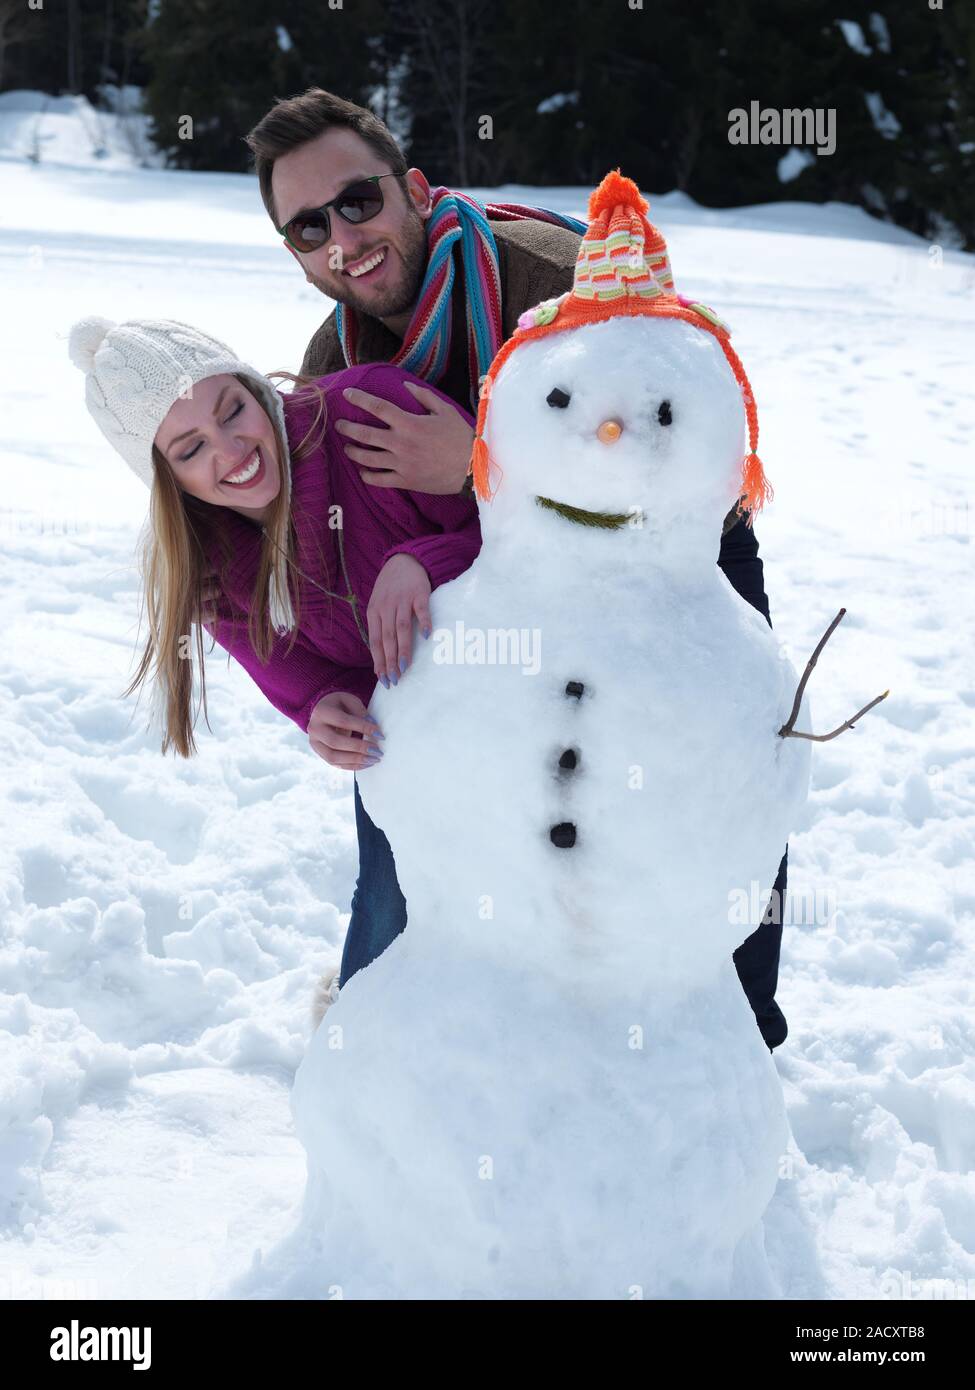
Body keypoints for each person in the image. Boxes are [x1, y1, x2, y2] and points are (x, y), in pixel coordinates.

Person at [243, 87, 792, 1049]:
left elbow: (679, 454)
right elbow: (320, 559)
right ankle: (395, 1021)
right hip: (484, 585)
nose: (343, 237)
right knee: (416, 754)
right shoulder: (331, 359)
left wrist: (478, 466)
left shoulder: (558, 286)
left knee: (715, 758)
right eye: (307, 227)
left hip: (670, 553)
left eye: (359, 200)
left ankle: (733, 1031)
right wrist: (320, 695)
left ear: (413, 189)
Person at [66, 315, 482, 1016]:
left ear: (256, 388)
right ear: (166, 479)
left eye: (233, 408)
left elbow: (534, 533)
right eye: (192, 447)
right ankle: (373, 1057)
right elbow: (312, 680)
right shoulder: (213, 568)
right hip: (425, 746)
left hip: (549, 700)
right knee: (391, 906)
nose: (232, 450)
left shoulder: (366, 416)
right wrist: (323, 709)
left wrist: (426, 561)